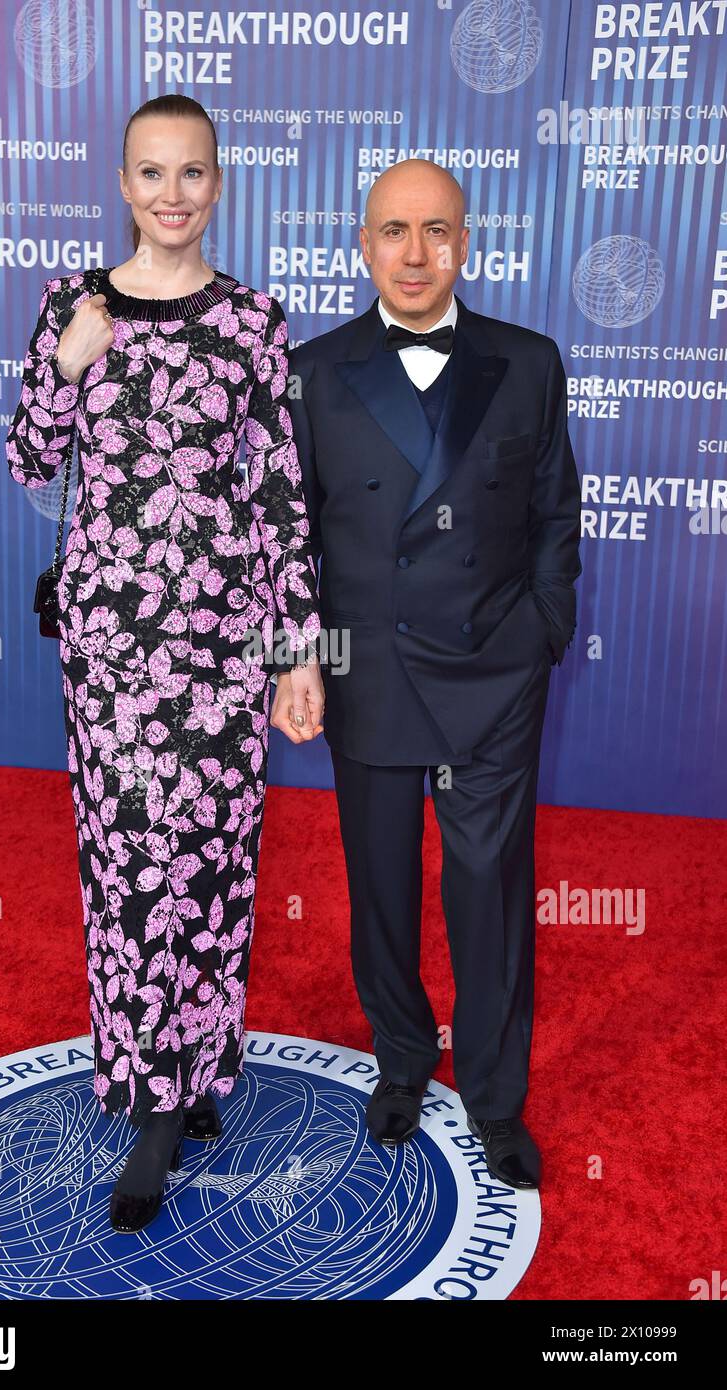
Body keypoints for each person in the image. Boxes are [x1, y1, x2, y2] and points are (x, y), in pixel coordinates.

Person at [6, 94, 324, 1234]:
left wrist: (296, 649)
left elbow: (282, 493)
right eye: (151, 172)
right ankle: (146, 1094)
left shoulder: (251, 321)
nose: (172, 194)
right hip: (109, 636)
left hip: (222, 638)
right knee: (128, 852)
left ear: (220, 185)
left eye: (192, 173)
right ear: (122, 184)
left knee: (215, 850)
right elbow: (30, 459)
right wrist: (68, 366)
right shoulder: (70, 307)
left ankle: (200, 1067)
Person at [282, 159, 582, 1189]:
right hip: (363, 661)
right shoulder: (313, 371)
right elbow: (289, 540)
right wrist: (301, 658)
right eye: (393, 232)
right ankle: (404, 1058)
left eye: (436, 231)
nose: (414, 254)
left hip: (494, 670)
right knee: (379, 882)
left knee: (488, 888)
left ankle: (495, 1099)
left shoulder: (527, 361)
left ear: (468, 242)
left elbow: (553, 515)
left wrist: (544, 625)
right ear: (361, 245)